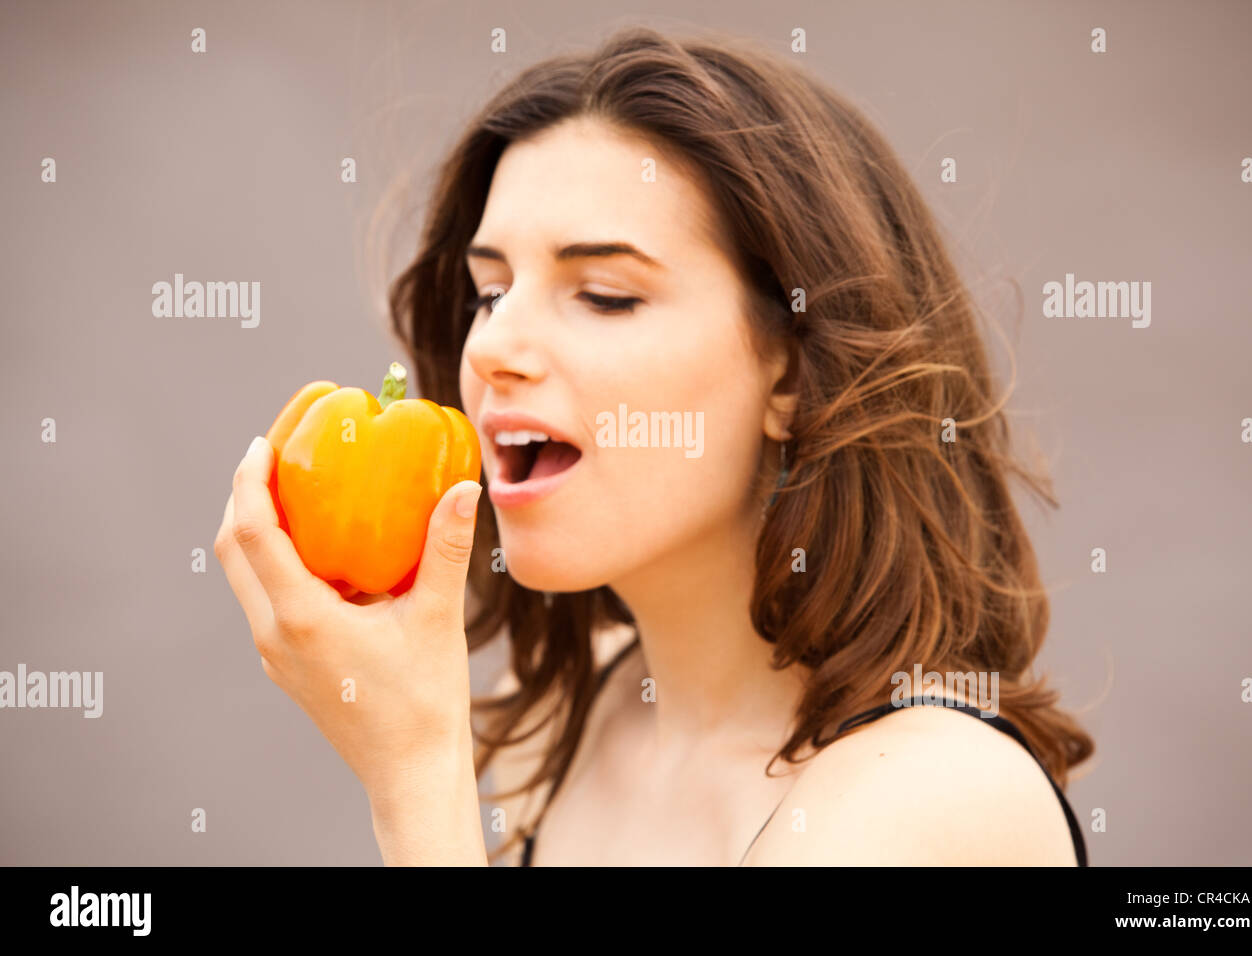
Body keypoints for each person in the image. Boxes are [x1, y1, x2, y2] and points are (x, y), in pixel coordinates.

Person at [215, 26, 1093, 866]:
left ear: (791, 374)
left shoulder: (935, 796)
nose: (487, 350)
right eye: (490, 292)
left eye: (602, 294)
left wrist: (414, 781)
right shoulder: (552, 727)